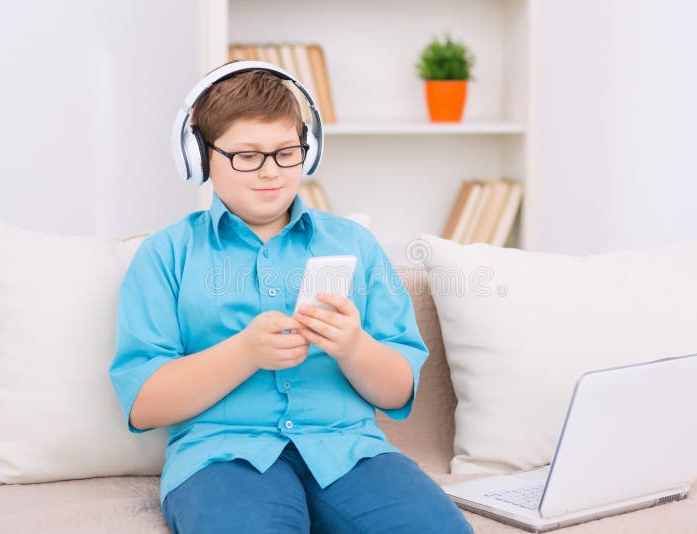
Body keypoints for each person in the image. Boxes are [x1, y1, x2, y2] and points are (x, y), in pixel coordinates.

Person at [108, 62, 473, 533]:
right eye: (247, 156)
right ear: (201, 156)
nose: (270, 173)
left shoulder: (355, 245)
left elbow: (399, 391)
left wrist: (353, 347)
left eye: (286, 153)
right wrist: (245, 352)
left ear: (309, 150)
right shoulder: (166, 255)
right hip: (222, 458)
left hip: (349, 452)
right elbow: (144, 403)